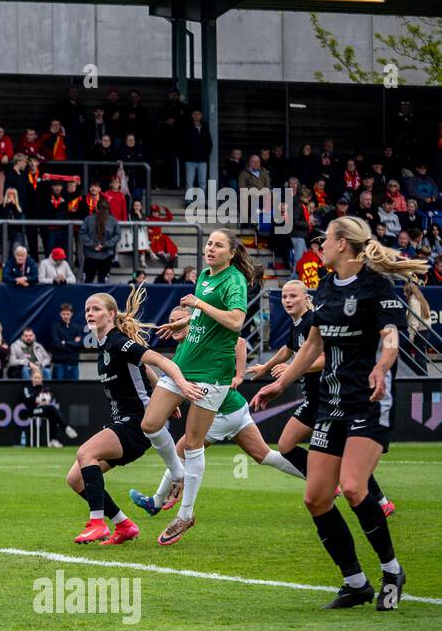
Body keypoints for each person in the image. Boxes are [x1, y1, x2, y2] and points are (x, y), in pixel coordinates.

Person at [252, 217, 426, 610]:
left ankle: (392, 570)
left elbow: (390, 338)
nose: (319, 246)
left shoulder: (378, 287)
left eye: (324, 240)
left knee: (352, 486)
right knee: (315, 498)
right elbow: (312, 345)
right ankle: (355, 582)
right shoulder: (327, 287)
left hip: (368, 400)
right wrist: (278, 384)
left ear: (343, 244)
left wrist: (382, 366)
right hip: (331, 404)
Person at [140, 228, 257, 546]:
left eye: (218, 245)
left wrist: (199, 307)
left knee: (193, 443)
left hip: (213, 371)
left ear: (231, 252)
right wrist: (183, 321)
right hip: (186, 361)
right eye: (209, 243)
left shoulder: (235, 281)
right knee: (150, 423)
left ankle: (185, 515)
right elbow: (201, 316)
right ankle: (177, 475)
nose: (210, 249)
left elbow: (235, 322)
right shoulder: (205, 275)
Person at [131, 310, 306, 518]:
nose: (174, 325)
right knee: (265, 455)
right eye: (171, 321)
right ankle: (316, 478)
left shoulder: (205, 342)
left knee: (183, 449)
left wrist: (239, 375)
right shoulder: (185, 349)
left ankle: (158, 501)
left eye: (179, 321)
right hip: (236, 409)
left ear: (192, 325)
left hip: (224, 411)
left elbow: (240, 342)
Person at [242, 283, 394, 515]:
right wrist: (266, 366)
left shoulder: (314, 321)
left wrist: (293, 368)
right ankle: (328, 484)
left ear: (306, 298)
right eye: (284, 296)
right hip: (313, 400)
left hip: (329, 399)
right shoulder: (298, 325)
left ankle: (381, 503)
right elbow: (288, 349)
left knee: (343, 455)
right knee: (285, 445)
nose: (288, 300)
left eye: (293, 296)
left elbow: (325, 358)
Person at [67, 288, 203, 545]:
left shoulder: (120, 342)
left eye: (96, 309)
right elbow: (148, 371)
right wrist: (161, 399)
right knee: (75, 479)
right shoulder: (105, 345)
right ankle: (123, 525)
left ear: (111, 314)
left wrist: (180, 387)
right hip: (122, 422)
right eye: (87, 310)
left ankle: (97, 523)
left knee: (85, 453)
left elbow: (162, 362)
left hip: (135, 425)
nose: (90, 313)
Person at [25, 367, 75, 447]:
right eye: (35, 377)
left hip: (44, 409)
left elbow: (52, 397)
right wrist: (37, 395)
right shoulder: (27, 388)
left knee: (53, 416)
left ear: (41, 379)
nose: (37, 379)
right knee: (51, 408)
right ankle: (65, 427)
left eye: (39, 377)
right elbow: (27, 399)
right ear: (32, 378)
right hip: (32, 410)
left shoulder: (45, 388)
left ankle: (53, 440)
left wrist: (46, 400)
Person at [80, 197, 119, 283]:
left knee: (89, 281)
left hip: (99, 254)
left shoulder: (88, 219)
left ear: (96, 208)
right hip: (96, 254)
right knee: (100, 282)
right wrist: (101, 245)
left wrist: (98, 245)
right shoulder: (112, 221)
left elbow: (82, 234)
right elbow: (117, 236)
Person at [49, 301, 85, 380]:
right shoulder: (55, 327)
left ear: (71, 314)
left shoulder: (76, 327)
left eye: (68, 314)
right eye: (63, 314)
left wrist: (65, 342)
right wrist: (73, 344)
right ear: (60, 314)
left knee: (74, 388)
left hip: (73, 362)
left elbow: (80, 345)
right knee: (58, 388)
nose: (65, 316)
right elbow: (56, 344)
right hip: (59, 362)